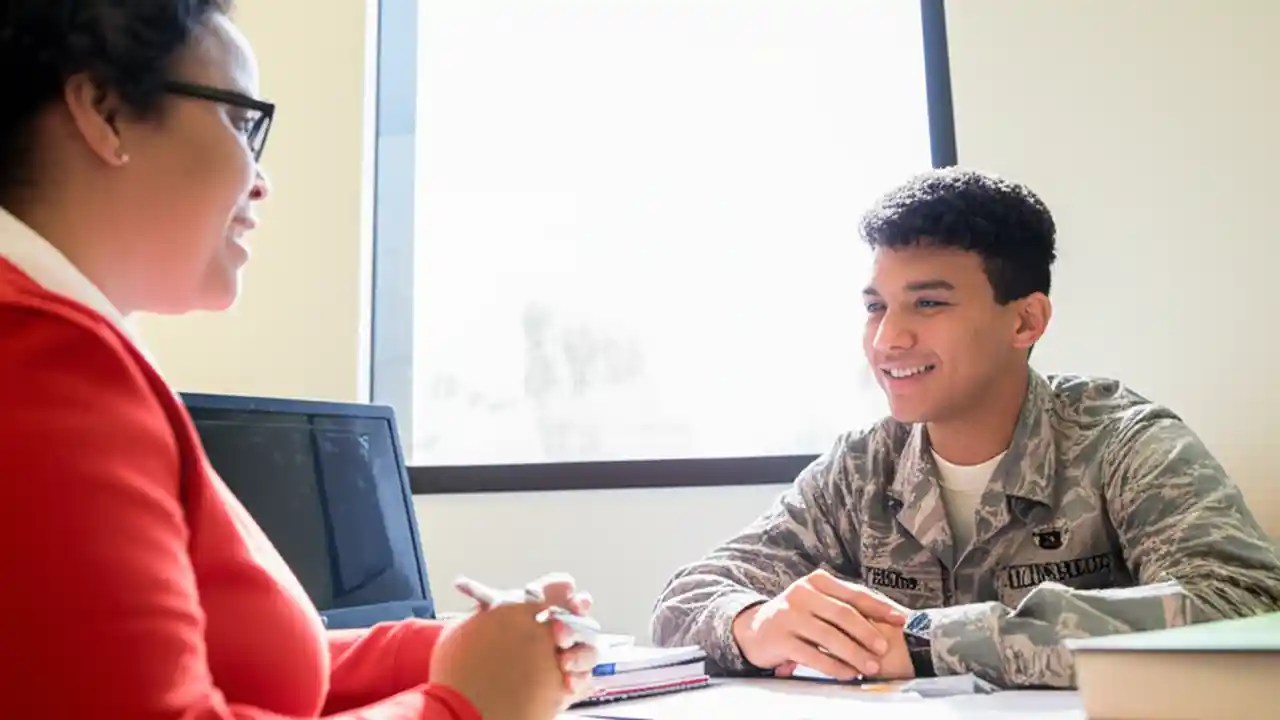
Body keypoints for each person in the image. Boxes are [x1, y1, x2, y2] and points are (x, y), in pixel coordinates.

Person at [0, 2, 595, 718]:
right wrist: (467, 704)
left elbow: (234, 670)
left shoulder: (60, 348)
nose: (261, 179)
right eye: (241, 120)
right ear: (106, 110)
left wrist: (462, 652)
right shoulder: (40, 358)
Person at [650, 167, 1280, 689]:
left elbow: (1244, 606)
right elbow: (685, 602)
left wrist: (931, 643)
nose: (888, 338)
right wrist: (753, 623)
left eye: (929, 303)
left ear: (1026, 322)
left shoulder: (1124, 446)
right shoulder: (861, 468)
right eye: (876, 307)